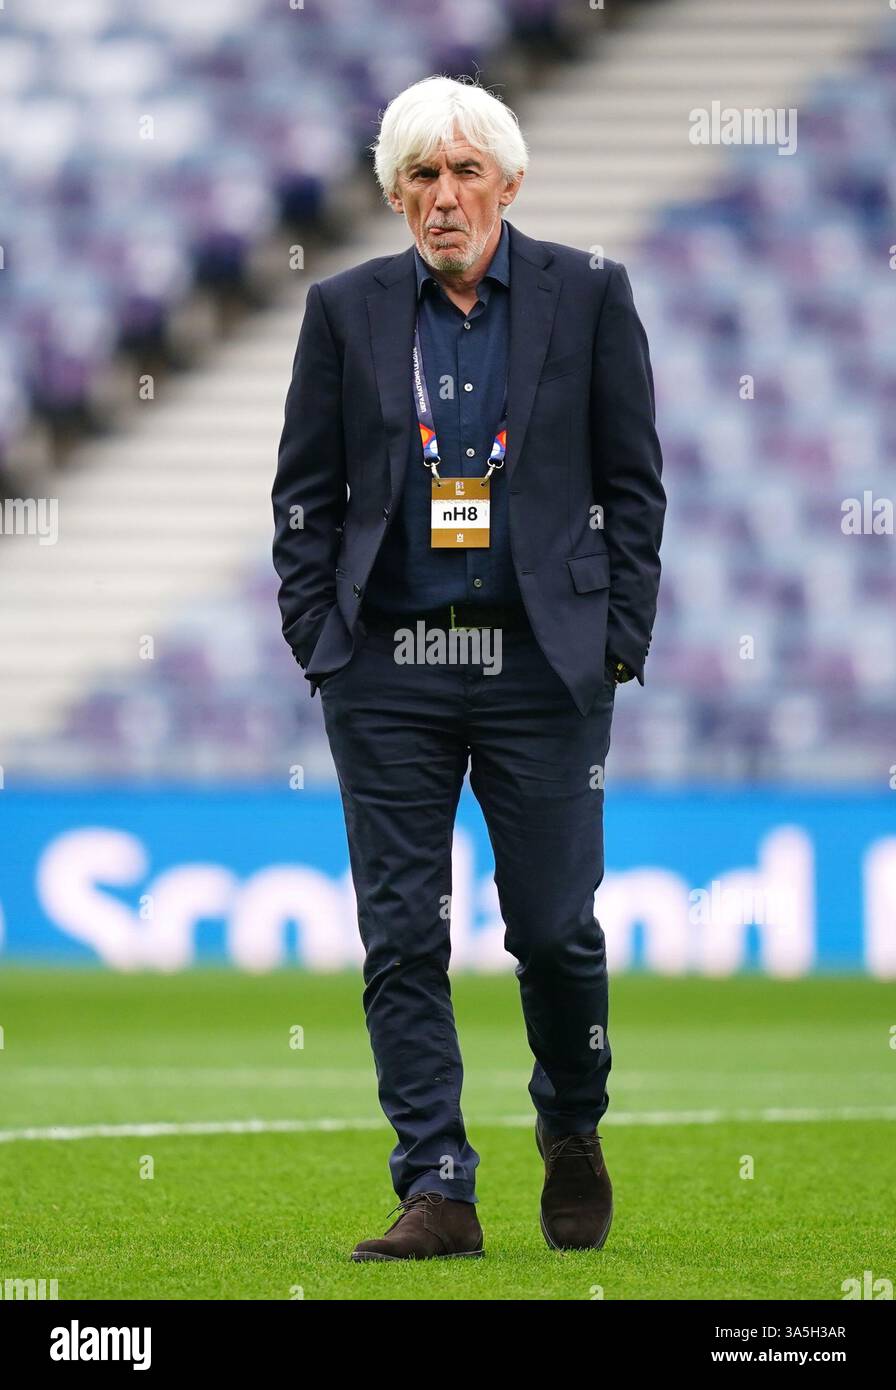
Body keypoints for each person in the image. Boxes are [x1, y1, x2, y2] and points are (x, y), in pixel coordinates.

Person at [272, 75, 665, 1261]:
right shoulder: (343, 312)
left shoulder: (590, 294)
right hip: (387, 664)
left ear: (507, 182)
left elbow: (632, 481)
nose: (443, 198)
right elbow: (303, 496)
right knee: (400, 932)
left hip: (541, 664)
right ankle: (436, 1182)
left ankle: (571, 1127)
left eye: (463, 172)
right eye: (420, 178)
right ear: (396, 197)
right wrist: (320, 643)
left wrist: (615, 641)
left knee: (553, 929)